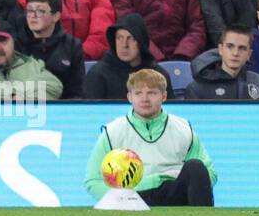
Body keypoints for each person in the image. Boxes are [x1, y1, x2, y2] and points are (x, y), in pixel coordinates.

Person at [86, 68, 217, 206]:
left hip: (174, 191)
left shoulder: (183, 128)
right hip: (132, 195)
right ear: (129, 97)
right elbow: (93, 180)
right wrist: (120, 199)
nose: (145, 99)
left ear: (164, 96)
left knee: (195, 166)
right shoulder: (113, 131)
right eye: (138, 93)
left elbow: (209, 173)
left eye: (152, 93)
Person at [19, 0, 86, 96]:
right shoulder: (17, 44)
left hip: (62, 109)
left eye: (40, 11)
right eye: (30, 10)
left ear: (56, 16)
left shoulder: (72, 45)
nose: (33, 16)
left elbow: (78, 89)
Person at [84, 11, 159, 98]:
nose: (124, 45)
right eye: (120, 38)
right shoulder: (98, 74)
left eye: (131, 38)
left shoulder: (158, 75)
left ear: (141, 41)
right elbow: (89, 111)